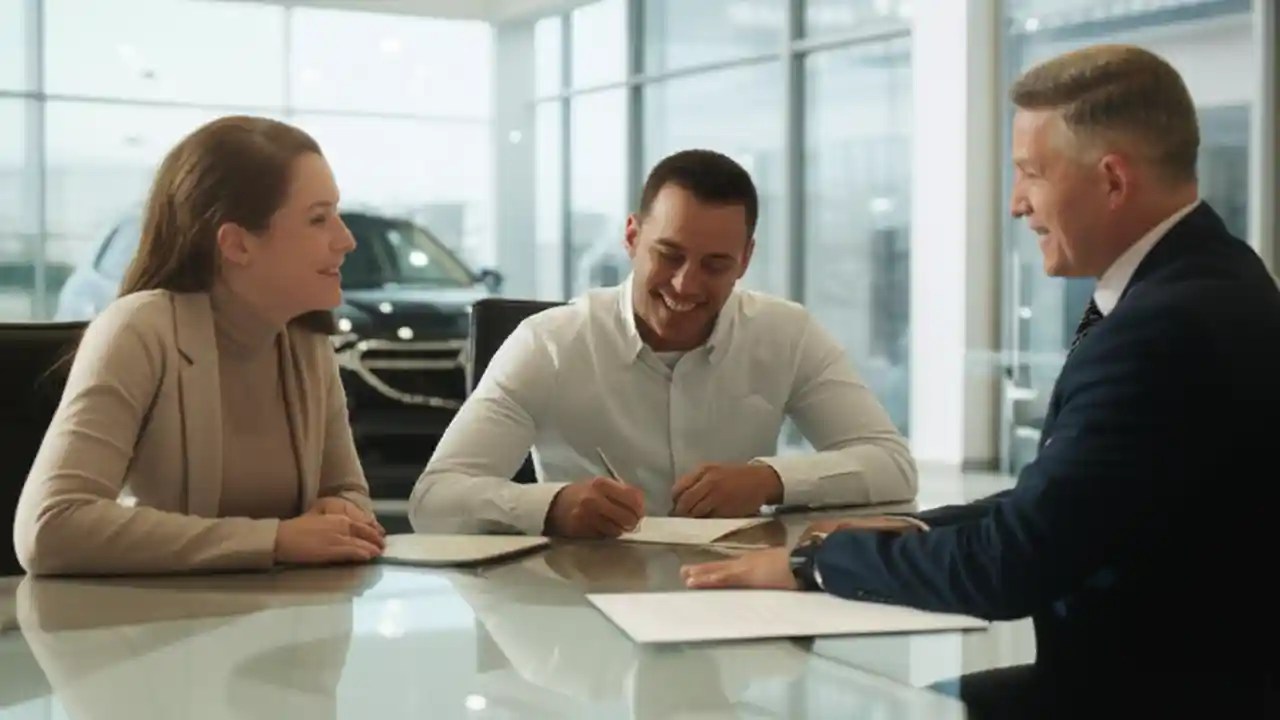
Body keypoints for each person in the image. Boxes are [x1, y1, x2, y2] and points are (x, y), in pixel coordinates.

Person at [680, 45, 1280, 714]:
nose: (1017, 203)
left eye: (1030, 172)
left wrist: (812, 567)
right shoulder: (1214, 277)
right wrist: (912, 531)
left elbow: (1011, 567)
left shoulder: (1163, 328)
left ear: (1113, 180)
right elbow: (1061, 503)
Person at [411, 149, 917, 537]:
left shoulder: (786, 334)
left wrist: (770, 480)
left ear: (745, 259)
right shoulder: (550, 343)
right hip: (579, 604)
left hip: (732, 600)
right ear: (632, 237)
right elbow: (434, 500)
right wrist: (553, 506)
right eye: (669, 255)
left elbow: (892, 466)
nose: (685, 285)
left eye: (715, 265)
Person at [14, 115, 386, 576]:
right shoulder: (139, 330)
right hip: (142, 635)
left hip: (280, 629)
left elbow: (349, 494)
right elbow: (50, 528)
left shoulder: (304, 342)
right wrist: (274, 540)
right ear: (236, 244)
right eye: (318, 219)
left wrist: (343, 514)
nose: (345, 240)